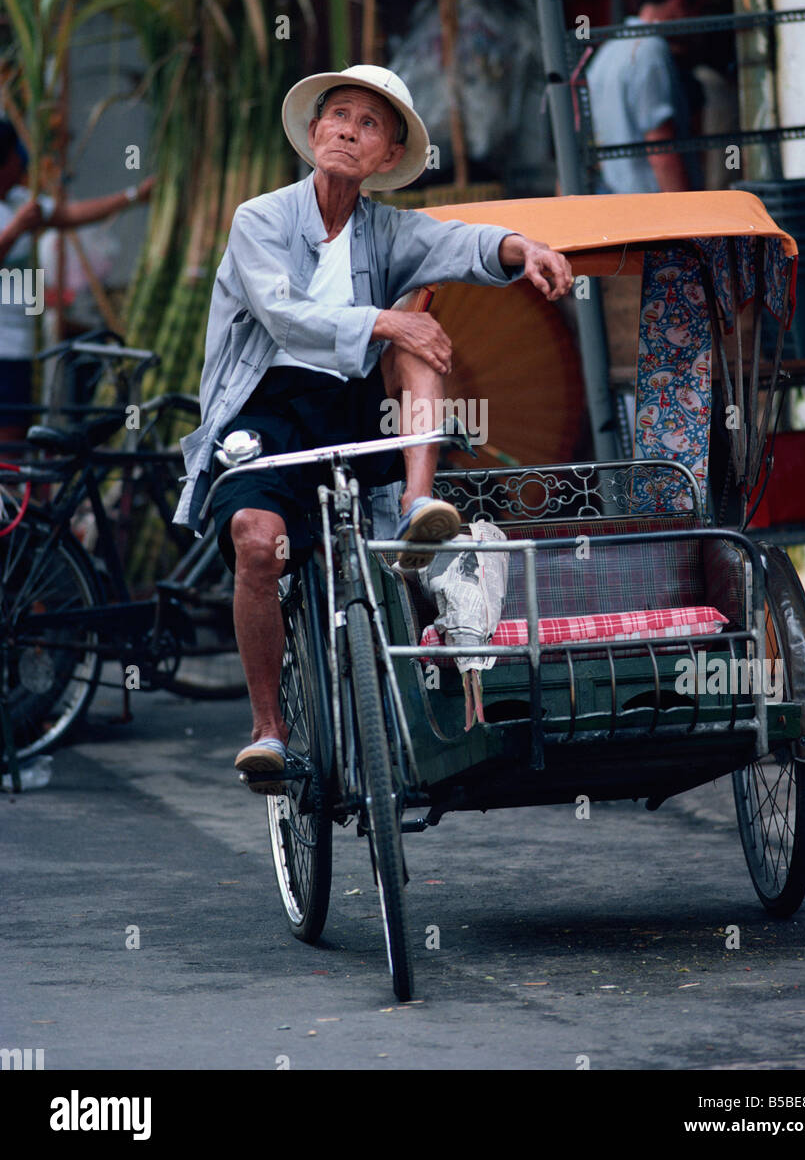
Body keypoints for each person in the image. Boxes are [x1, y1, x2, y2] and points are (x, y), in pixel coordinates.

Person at [171, 63, 573, 791]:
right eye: (339, 117)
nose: (349, 132)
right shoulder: (260, 219)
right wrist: (387, 319)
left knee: (421, 336)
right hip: (267, 406)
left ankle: (422, 505)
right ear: (314, 131)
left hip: (354, 402)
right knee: (257, 545)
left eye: (369, 125)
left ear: (387, 156)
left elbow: (464, 244)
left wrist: (527, 249)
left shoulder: (388, 229)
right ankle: (269, 730)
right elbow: (282, 311)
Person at [0, 119, 154, 442]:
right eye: (17, 153)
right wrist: (15, 230)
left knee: (21, 440)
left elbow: (70, 214)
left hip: (24, 345)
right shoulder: (16, 215)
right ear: (8, 158)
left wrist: (132, 196)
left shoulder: (19, 201)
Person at [586, 0, 716, 194]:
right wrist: (688, 218)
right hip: (654, 207)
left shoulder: (611, 49)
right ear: (680, 1)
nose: (700, 22)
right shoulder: (650, 50)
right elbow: (661, 148)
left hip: (616, 201)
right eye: (701, 10)